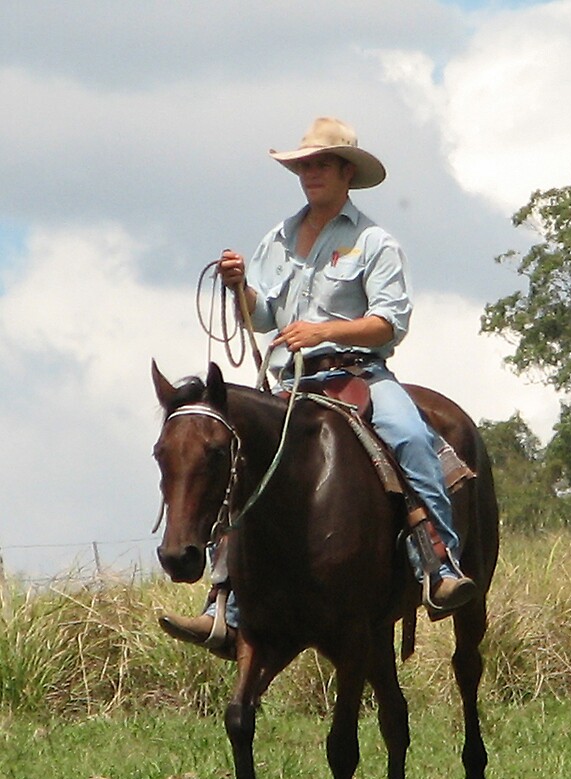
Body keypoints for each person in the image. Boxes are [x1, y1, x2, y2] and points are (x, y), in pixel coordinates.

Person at [160, 117, 475, 655]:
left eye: (321, 164)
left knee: (412, 437)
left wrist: (323, 330)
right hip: (291, 384)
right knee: (233, 459)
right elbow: (261, 320)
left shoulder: (374, 241)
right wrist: (241, 288)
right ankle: (223, 603)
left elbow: (389, 323)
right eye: (304, 166)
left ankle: (438, 563)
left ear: (346, 173)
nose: (311, 174)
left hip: (358, 375)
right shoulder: (277, 238)